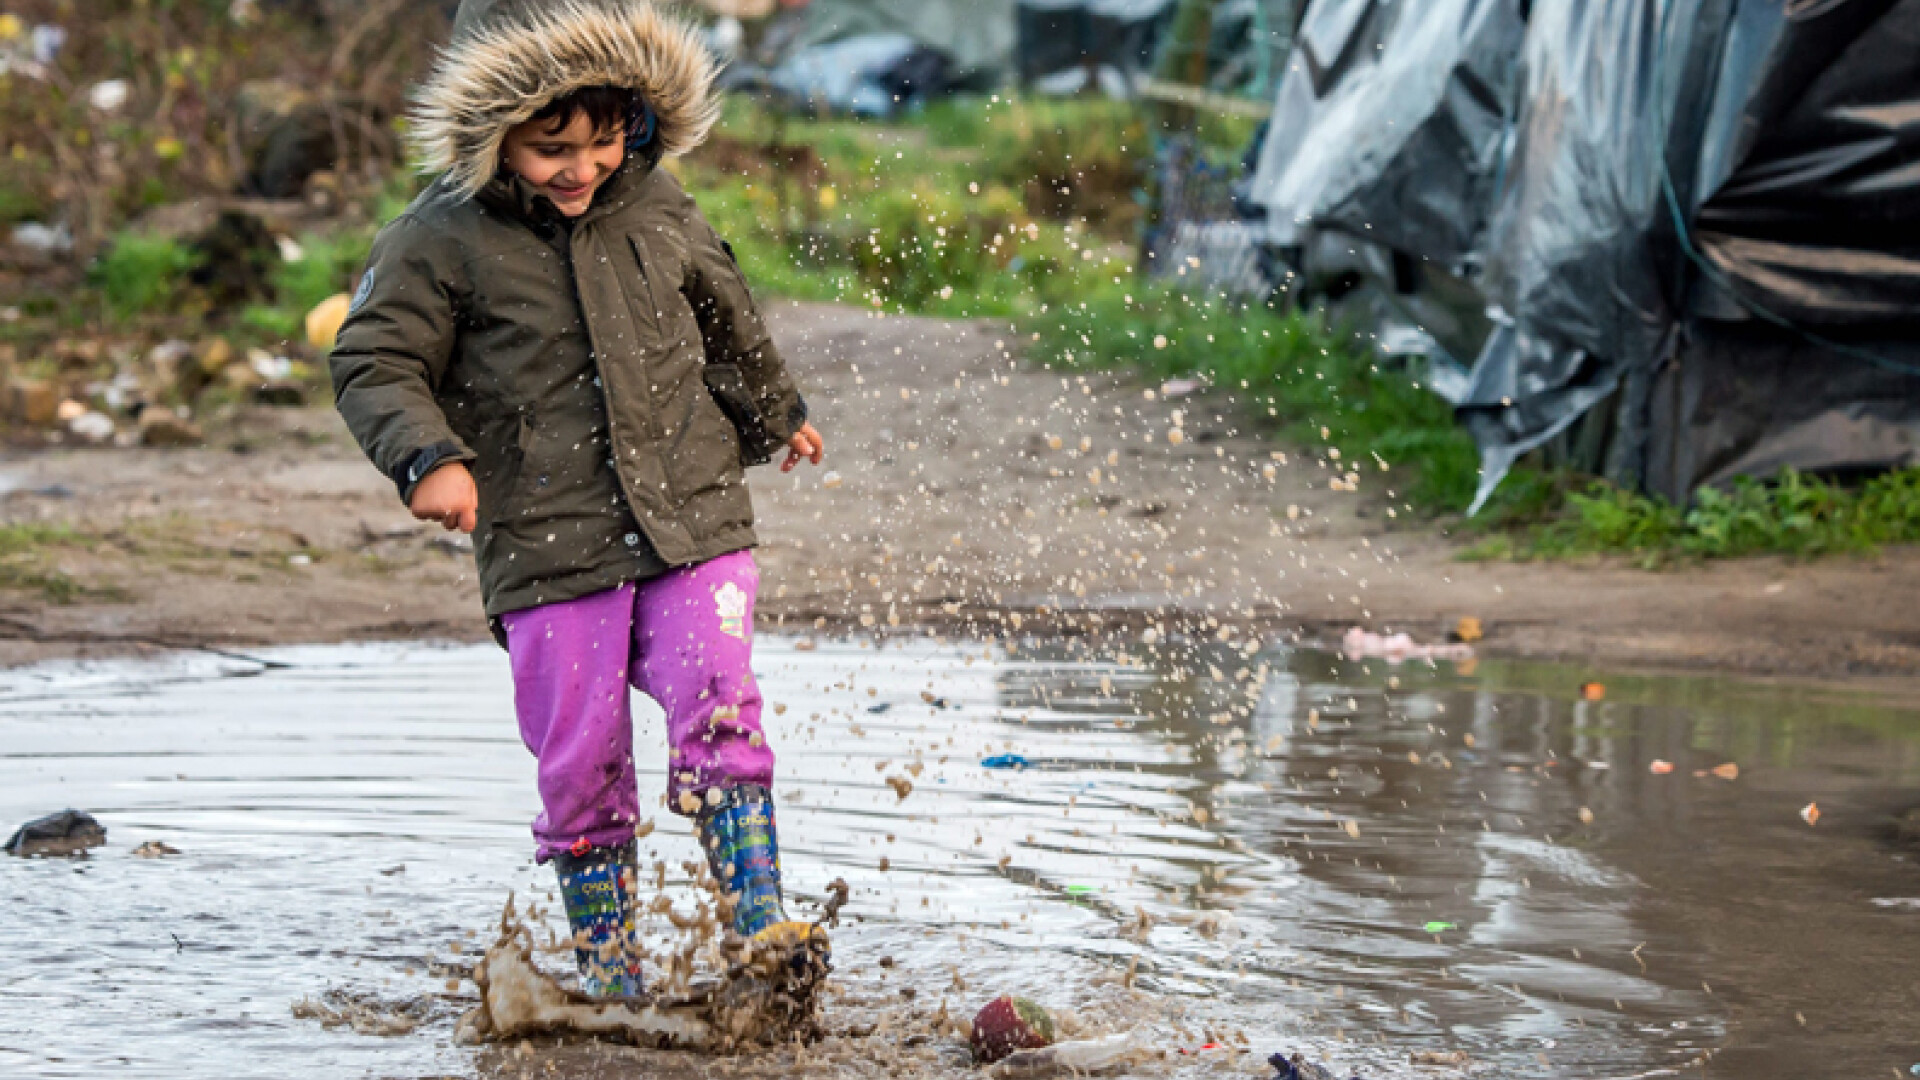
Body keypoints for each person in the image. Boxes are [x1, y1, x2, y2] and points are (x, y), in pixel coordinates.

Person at [329, 0, 826, 998]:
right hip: (546, 546)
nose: (581, 167)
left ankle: (763, 930)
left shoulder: (659, 203)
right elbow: (375, 358)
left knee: (721, 706)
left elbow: (722, 312)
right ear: (490, 128)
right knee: (583, 762)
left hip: (692, 517)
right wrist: (429, 459)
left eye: (604, 142)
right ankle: (610, 975)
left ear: (636, 124)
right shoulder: (438, 240)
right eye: (551, 146)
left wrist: (774, 413)